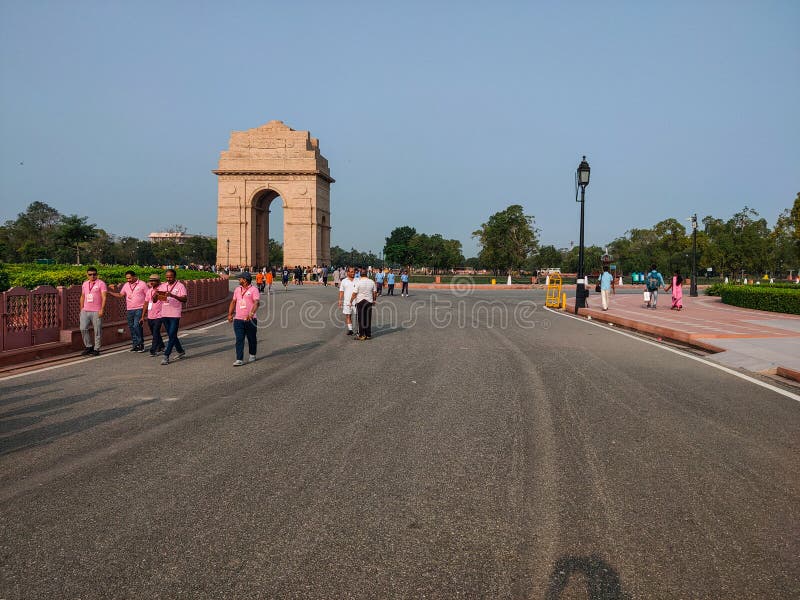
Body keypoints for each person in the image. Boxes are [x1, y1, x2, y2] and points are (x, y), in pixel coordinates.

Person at [107, 270, 147, 352]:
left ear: (134, 276)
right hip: (130, 309)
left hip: (139, 308)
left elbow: (148, 296)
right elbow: (121, 295)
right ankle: (135, 345)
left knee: (137, 326)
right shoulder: (126, 285)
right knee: (131, 327)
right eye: (127, 278)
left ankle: (141, 344)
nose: (128, 280)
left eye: (130, 278)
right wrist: (110, 292)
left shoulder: (142, 284)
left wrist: (146, 309)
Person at [228, 271, 260, 366]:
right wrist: (230, 314)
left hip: (251, 320)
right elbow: (233, 302)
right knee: (239, 339)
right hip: (238, 319)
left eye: (240, 278)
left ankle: (252, 354)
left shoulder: (254, 290)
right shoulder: (237, 289)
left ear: (245, 280)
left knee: (251, 338)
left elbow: (257, 303)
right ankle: (239, 359)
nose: (239, 279)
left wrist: (250, 314)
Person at [158, 269, 188, 365]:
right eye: (167, 277)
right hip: (164, 313)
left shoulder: (180, 286)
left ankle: (166, 356)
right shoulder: (163, 286)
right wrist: (155, 296)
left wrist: (173, 295)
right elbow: (157, 299)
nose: (168, 278)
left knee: (171, 335)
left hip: (174, 314)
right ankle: (180, 351)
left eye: (170, 277)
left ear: (174, 277)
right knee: (172, 335)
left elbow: (184, 299)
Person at [79, 267, 107, 356]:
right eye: (90, 274)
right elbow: (82, 296)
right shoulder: (85, 283)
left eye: (94, 274)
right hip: (85, 310)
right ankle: (88, 346)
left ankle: (96, 348)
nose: (92, 276)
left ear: (97, 274)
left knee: (97, 330)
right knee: (83, 328)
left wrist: (102, 309)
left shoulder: (101, 283)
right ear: (87, 275)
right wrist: (81, 309)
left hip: (96, 311)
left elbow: (104, 297)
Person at [141, 274, 165, 356]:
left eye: (154, 281)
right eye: (151, 281)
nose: (152, 282)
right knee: (155, 333)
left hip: (160, 315)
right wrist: (142, 316)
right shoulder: (149, 291)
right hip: (150, 315)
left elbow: (165, 302)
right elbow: (146, 303)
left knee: (155, 332)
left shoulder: (162, 290)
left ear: (158, 281)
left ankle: (153, 349)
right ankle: (161, 346)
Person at [351, 268, 377, 340]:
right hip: (369, 301)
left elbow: (354, 293)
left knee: (361, 318)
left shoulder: (358, 282)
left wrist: (351, 301)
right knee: (368, 318)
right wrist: (374, 300)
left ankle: (362, 335)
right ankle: (368, 334)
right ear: (367, 274)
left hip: (360, 301)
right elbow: (374, 292)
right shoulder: (371, 282)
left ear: (360, 274)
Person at [338, 267, 357, 335]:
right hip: (347, 302)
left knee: (357, 316)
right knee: (348, 316)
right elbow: (341, 291)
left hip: (356, 302)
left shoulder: (357, 280)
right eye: (351, 272)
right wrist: (340, 300)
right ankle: (350, 329)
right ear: (347, 272)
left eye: (354, 272)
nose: (353, 273)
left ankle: (358, 330)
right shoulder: (344, 281)